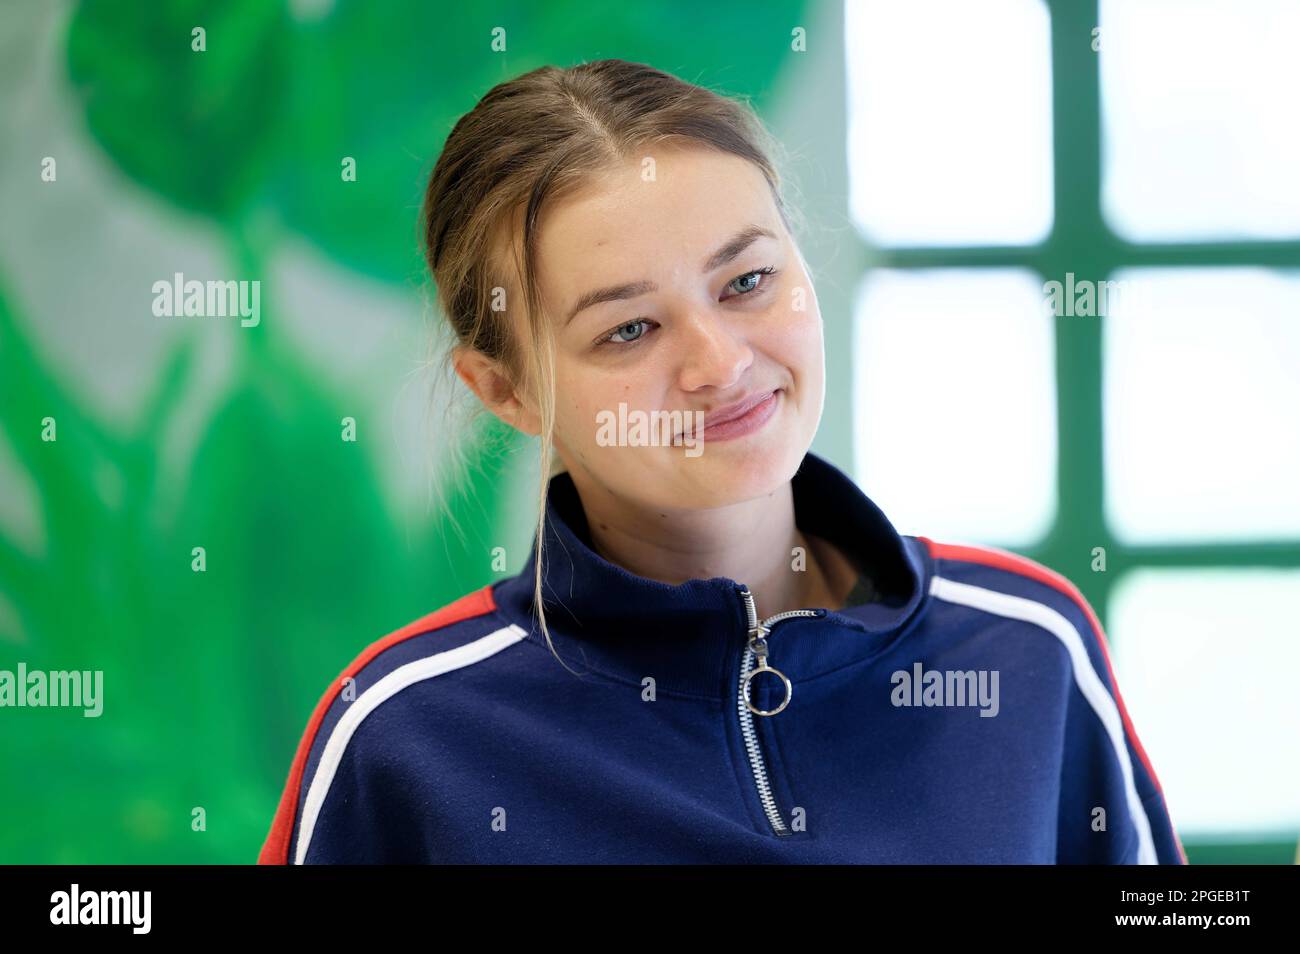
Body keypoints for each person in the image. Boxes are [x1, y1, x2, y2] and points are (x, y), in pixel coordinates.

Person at [258, 59, 1186, 865]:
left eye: (747, 280)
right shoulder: (405, 736)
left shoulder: (1027, 650)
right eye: (628, 328)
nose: (721, 364)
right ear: (508, 391)